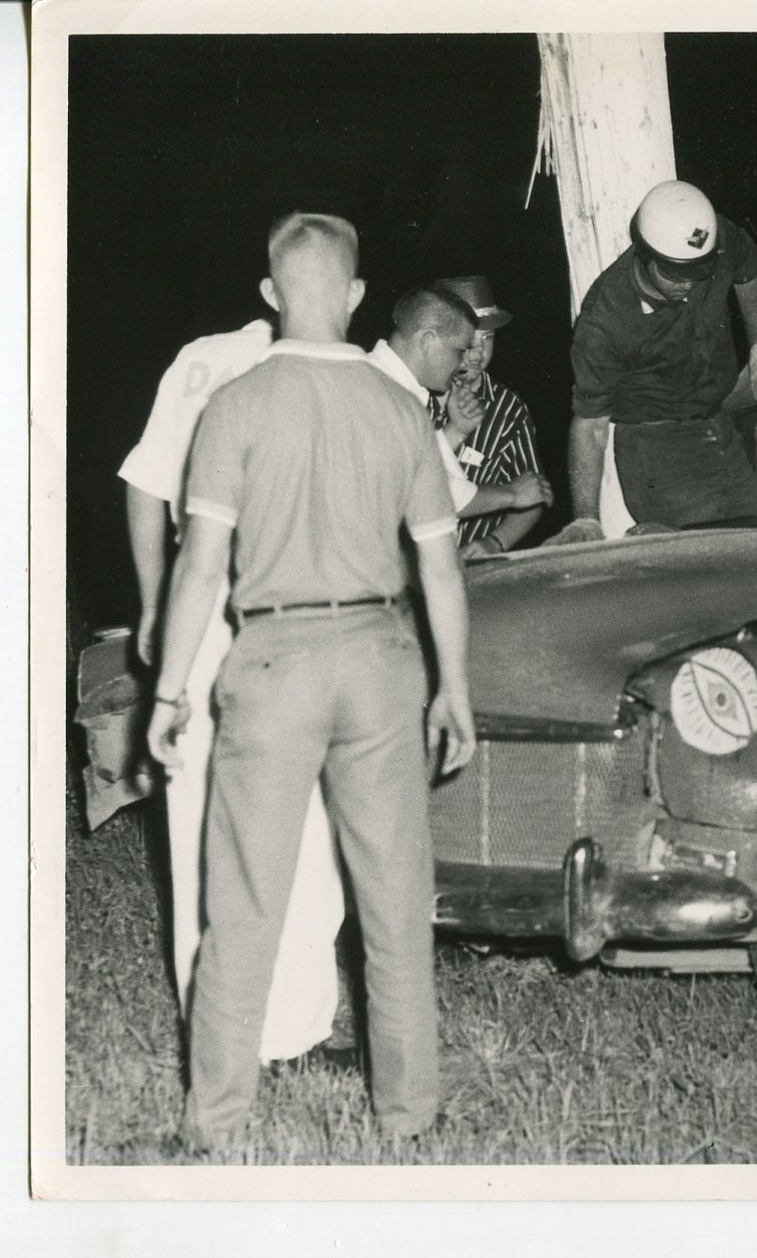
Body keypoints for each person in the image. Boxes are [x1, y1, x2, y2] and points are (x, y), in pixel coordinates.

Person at [146, 212, 477, 1148]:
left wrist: (169, 692)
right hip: (381, 662)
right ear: (359, 297)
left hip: (275, 659)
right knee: (394, 902)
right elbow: (442, 568)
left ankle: (214, 1125)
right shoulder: (399, 409)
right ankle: (409, 1119)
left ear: (269, 295)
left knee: (244, 902)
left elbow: (200, 566)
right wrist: (454, 688)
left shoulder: (238, 404)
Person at [119, 304, 347, 1071]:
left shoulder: (203, 354)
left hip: (219, 605)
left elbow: (145, 483)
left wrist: (157, 600)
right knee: (300, 824)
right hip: (284, 604)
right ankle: (271, 1035)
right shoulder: (324, 372)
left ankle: (244, 1033)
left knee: (212, 824)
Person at [550, 179, 757, 542]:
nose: (690, 283)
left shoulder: (710, 241)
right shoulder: (604, 320)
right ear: (644, 253)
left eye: (699, 271)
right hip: (656, 448)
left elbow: (747, 267)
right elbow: (590, 427)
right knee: (717, 559)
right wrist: (586, 519)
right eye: (677, 274)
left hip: (719, 428)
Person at [369, 284, 552, 529]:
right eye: (460, 350)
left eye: (487, 339)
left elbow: (421, 470)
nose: (467, 360)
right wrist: (513, 494)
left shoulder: (390, 385)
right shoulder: (384, 395)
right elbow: (430, 496)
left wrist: (456, 431)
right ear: (427, 341)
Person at [432, 275, 545, 557]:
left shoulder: (508, 410)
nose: (479, 352)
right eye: (469, 339)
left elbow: (533, 495)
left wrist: (494, 543)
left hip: (474, 568)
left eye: (488, 338)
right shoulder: (410, 397)